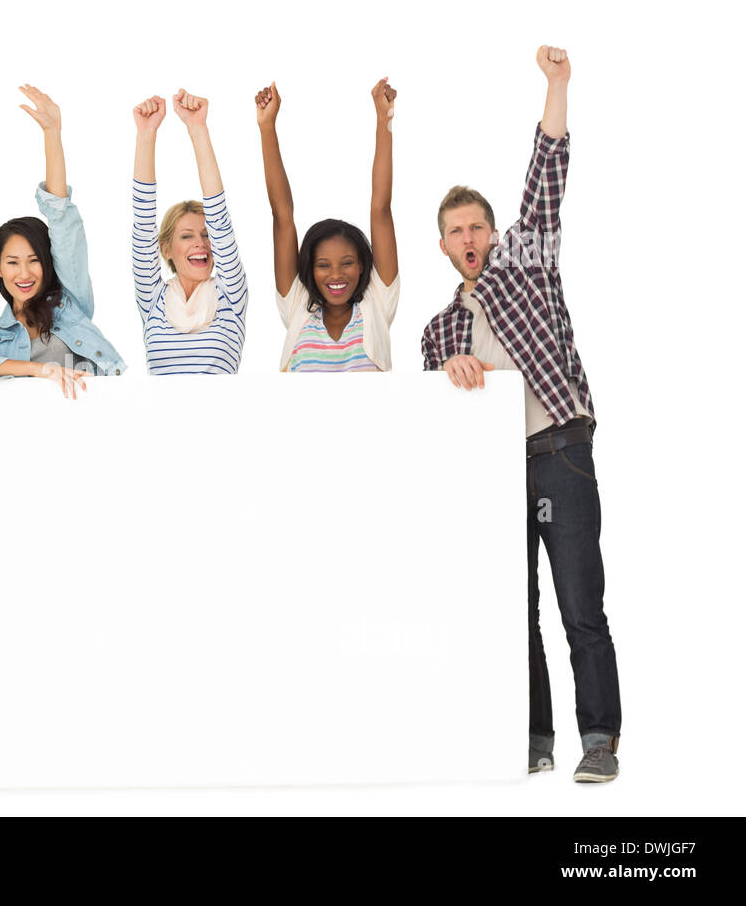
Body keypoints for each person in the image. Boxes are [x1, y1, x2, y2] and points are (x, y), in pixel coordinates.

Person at [421, 46, 621, 783]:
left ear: (495, 234)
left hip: (559, 448)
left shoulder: (525, 266)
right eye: (456, 230)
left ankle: (598, 737)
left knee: (579, 605)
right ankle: (534, 737)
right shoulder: (437, 331)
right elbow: (430, 419)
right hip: (492, 471)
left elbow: (547, 176)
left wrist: (556, 84)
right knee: (515, 611)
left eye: (479, 226)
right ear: (442, 245)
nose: (469, 239)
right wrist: (448, 371)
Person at [0, 86, 125, 397]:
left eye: (34, 260)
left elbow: (62, 220)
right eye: (12, 263)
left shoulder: (70, 303)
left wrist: (52, 133)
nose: (24, 273)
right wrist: (39, 370)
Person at [256, 79, 400, 372]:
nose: (336, 274)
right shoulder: (297, 305)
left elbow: (381, 210)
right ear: (309, 268)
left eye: (347, 262)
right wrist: (267, 126)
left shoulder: (376, 303)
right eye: (323, 265)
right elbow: (282, 218)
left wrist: (383, 118)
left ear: (362, 266)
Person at [131, 90, 248, 374]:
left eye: (207, 235)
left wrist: (197, 128)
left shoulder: (230, 294)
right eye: (187, 236)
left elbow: (219, 218)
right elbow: (143, 221)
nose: (201, 243)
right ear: (166, 249)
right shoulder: (153, 298)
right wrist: (146, 134)